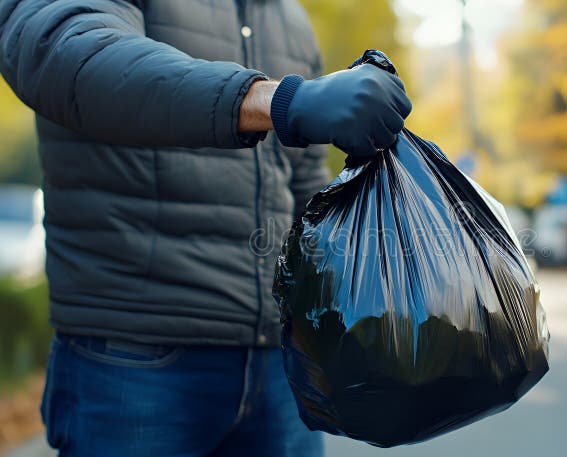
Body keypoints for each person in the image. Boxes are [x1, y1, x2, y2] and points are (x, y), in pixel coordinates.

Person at [0, 1, 411, 456]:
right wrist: (276, 100)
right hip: (134, 358)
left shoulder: (287, 17)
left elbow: (302, 184)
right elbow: (72, 55)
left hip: (279, 366)